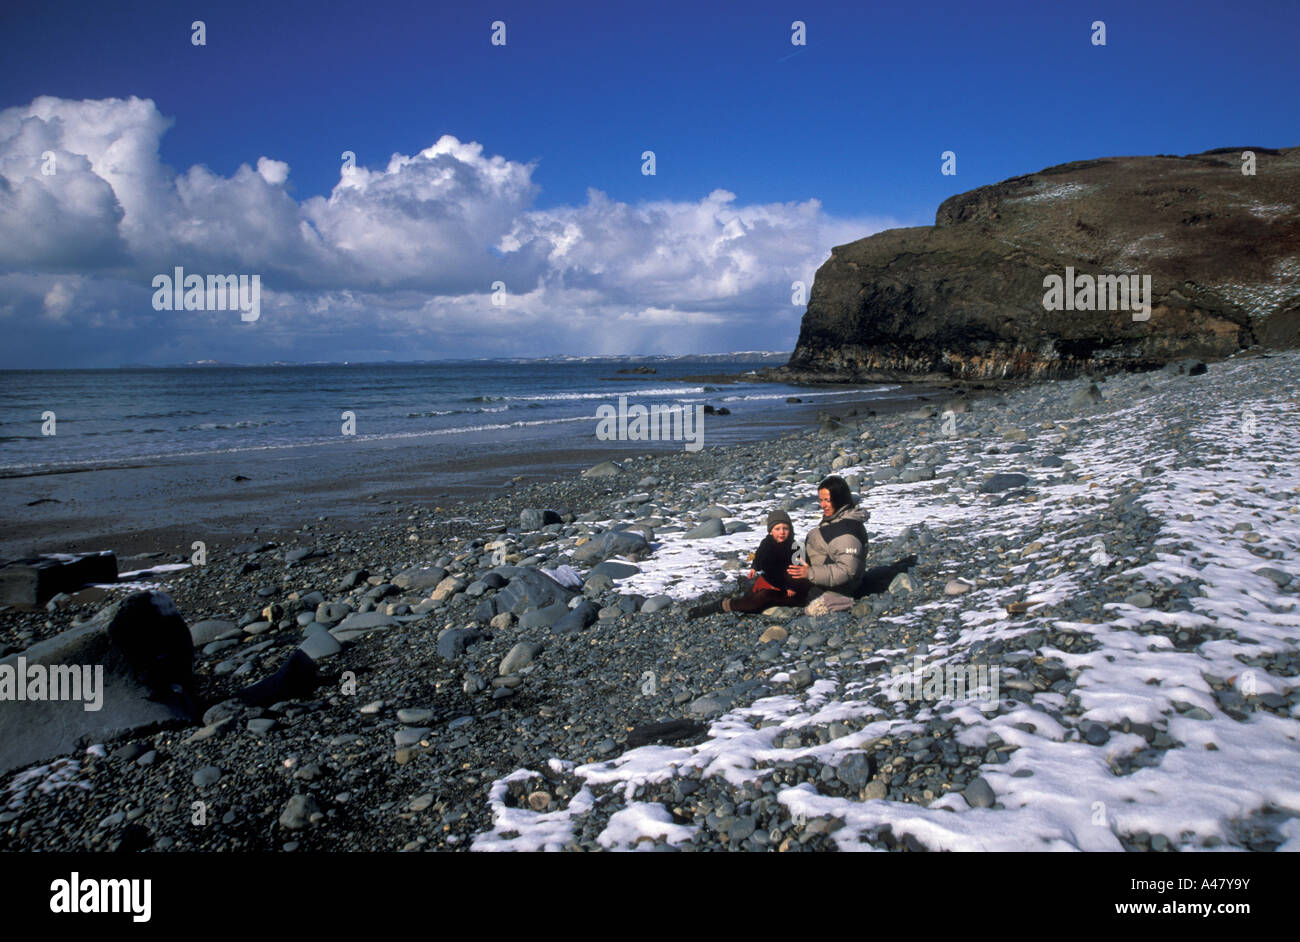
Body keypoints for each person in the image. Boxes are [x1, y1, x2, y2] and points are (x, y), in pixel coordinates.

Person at [687, 510, 809, 618]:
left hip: (790, 590)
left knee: (759, 600)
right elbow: (759, 557)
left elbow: (798, 571)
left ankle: (721, 605)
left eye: (785, 528)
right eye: (777, 529)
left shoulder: (796, 547)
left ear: (790, 529)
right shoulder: (767, 544)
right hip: (772, 581)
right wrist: (754, 568)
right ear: (771, 531)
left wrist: (792, 586)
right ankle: (743, 588)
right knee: (753, 590)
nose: (782, 532)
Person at [786, 474, 868, 615]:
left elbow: (847, 570)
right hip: (816, 577)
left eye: (827, 500)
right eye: (821, 500)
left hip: (830, 588)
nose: (822, 505)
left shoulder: (847, 532)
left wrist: (809, 573)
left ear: (839, 499)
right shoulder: (837, 519)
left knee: (777, 597)